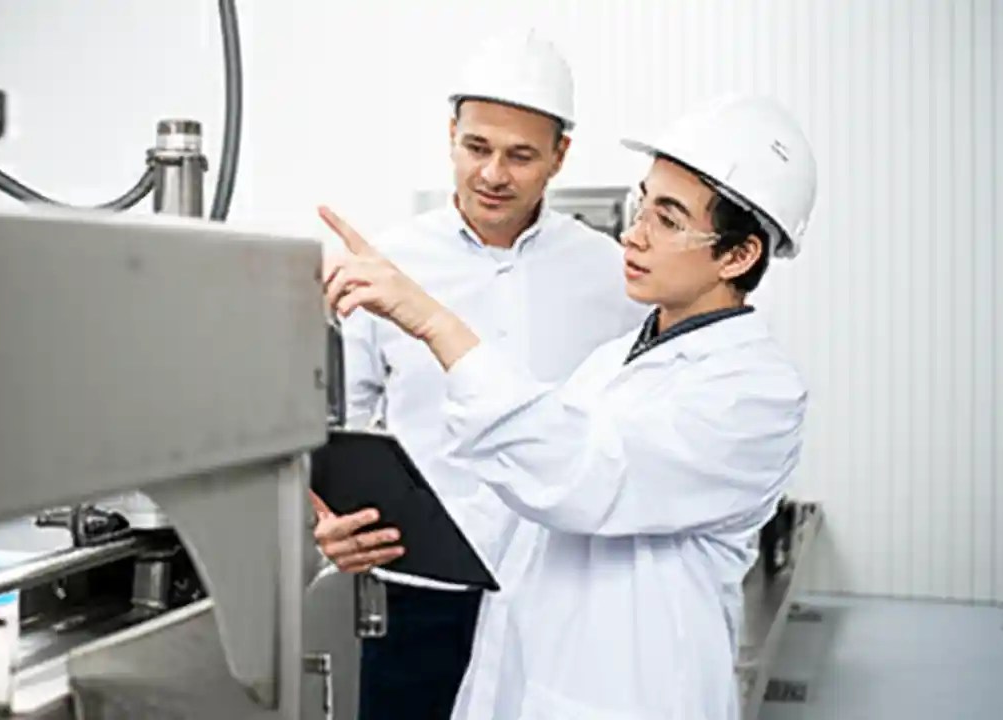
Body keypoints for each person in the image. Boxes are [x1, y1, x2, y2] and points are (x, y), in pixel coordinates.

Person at [318, 93, 818, 719]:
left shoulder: (755, 392)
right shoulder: (613, 364)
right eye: (643, 204)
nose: (633, 234)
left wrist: (431, 321)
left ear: (739, 255)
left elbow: (579, 475)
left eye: (667, 219)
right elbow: (522, 501)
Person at [308, 28, 647, 720]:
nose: (494, 174)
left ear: (560, 155)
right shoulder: (392, 263)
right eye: (477, 148)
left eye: (521, 155)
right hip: (416, 594)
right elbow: (339, 433)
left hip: (561, 598)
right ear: (451, 136)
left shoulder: (612, 276)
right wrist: (326, 521)